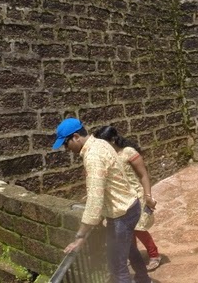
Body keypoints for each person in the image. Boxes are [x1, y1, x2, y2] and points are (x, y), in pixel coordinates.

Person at [52, 117, 154, 283]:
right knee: (128, 248)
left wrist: (80, 236)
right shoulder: (101, 143)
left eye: (66, 143)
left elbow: (94, 202)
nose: (66, 148)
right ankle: (143, 278)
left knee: (117, 266)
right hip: (130, 204)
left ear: (76, 137)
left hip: (121, 213)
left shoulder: (92, 157)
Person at [94, 126, 162, 272]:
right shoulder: (106, 157)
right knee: (127, 230)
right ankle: (134, 257)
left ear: (112, 140)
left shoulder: (128, 152)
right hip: (121, 198)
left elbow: (144, 175)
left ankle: (154, 254)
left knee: (139, 228)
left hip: (137, 195)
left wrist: (148, 196)